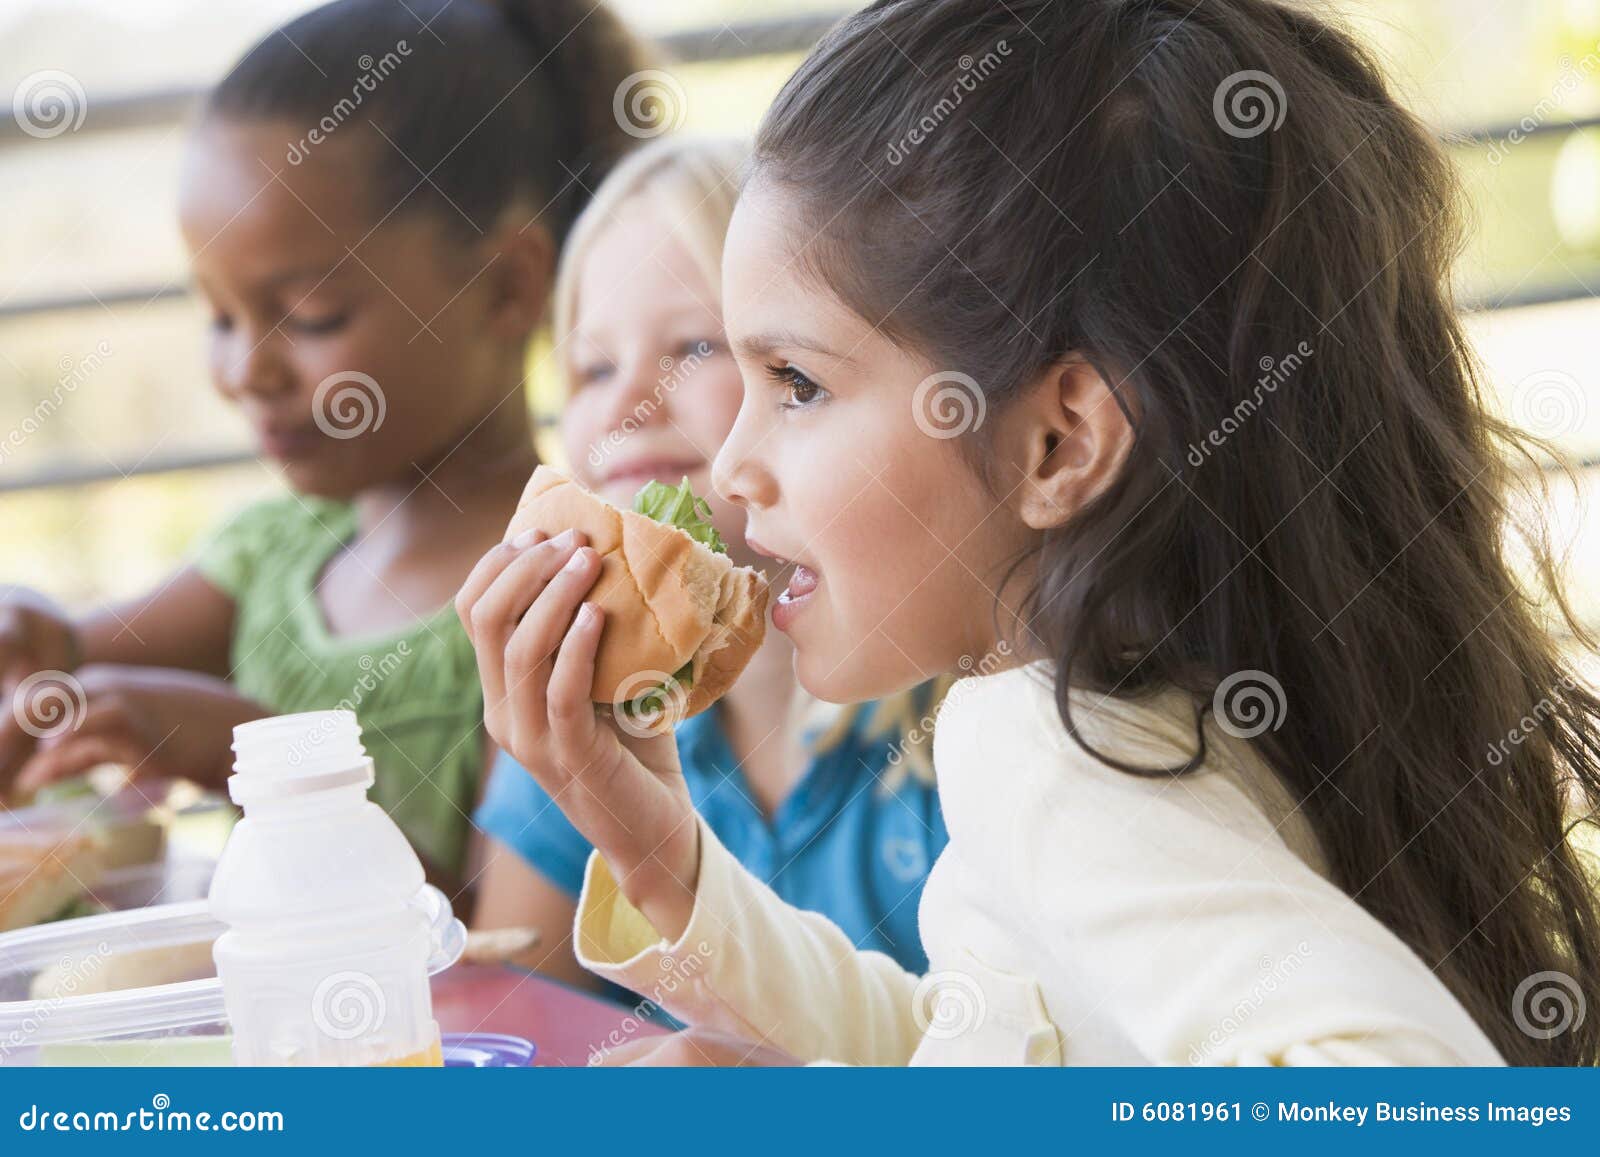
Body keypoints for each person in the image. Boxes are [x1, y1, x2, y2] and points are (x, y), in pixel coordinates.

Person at [458, 0, 1600, 1065]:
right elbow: (971, 1038)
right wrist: (652, 841)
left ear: (1057, 443)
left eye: (796, 380)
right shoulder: (1126, 702)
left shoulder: (1043, 748)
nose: (734, 462)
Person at [0, 0, 647, 894]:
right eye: (221, 316)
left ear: (507, 286)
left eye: (309, 316)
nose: (243, 369)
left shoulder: (566, 596)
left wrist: (252, 751)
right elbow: (63, 664)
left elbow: (501, 950)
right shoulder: (272, 556)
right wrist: (29, 636)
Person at [471, 137, 948, 990]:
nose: (624, 404)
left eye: (693, 347)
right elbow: (514, 1022)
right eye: (591, 366)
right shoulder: (584, 692)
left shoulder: (970, 721)